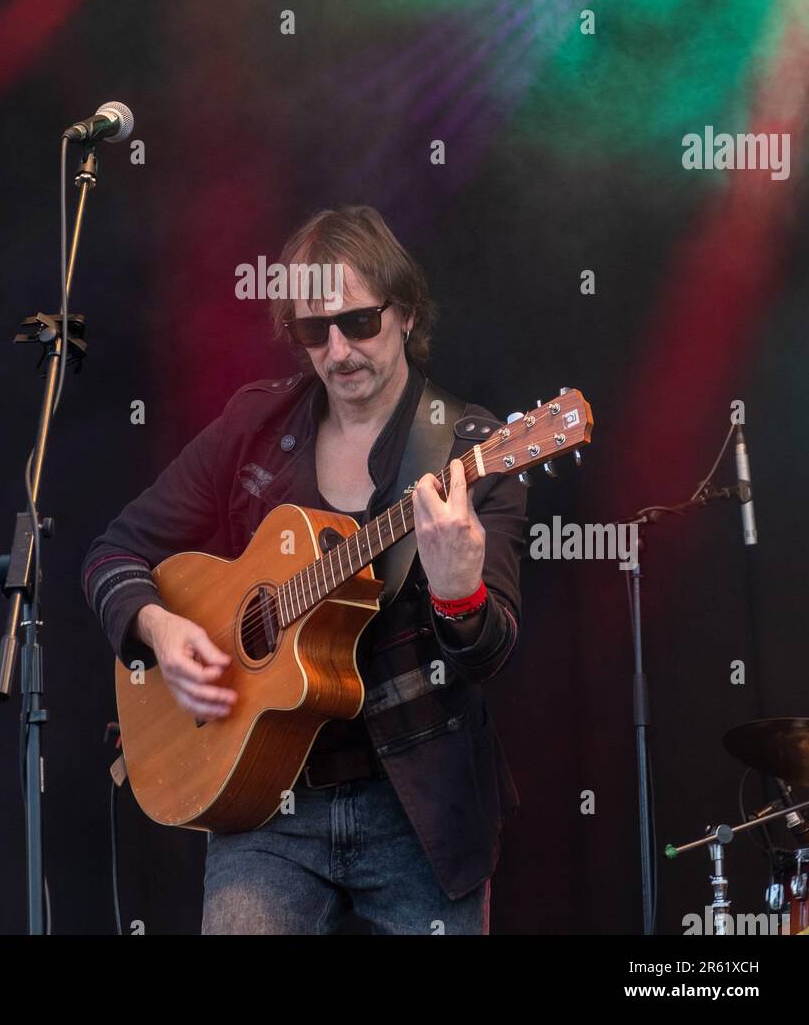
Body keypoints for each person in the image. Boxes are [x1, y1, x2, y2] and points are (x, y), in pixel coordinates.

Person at [81, 205, 526, 934]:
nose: (339, 350)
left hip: (417, 808)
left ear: (406, 313)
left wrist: (457, 594)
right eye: (314, 331)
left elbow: (493, 647)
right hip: (267, 802)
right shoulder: (253, 429)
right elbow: (113, 553)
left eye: (359, 322)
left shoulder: (470, 449)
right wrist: (159, 628)